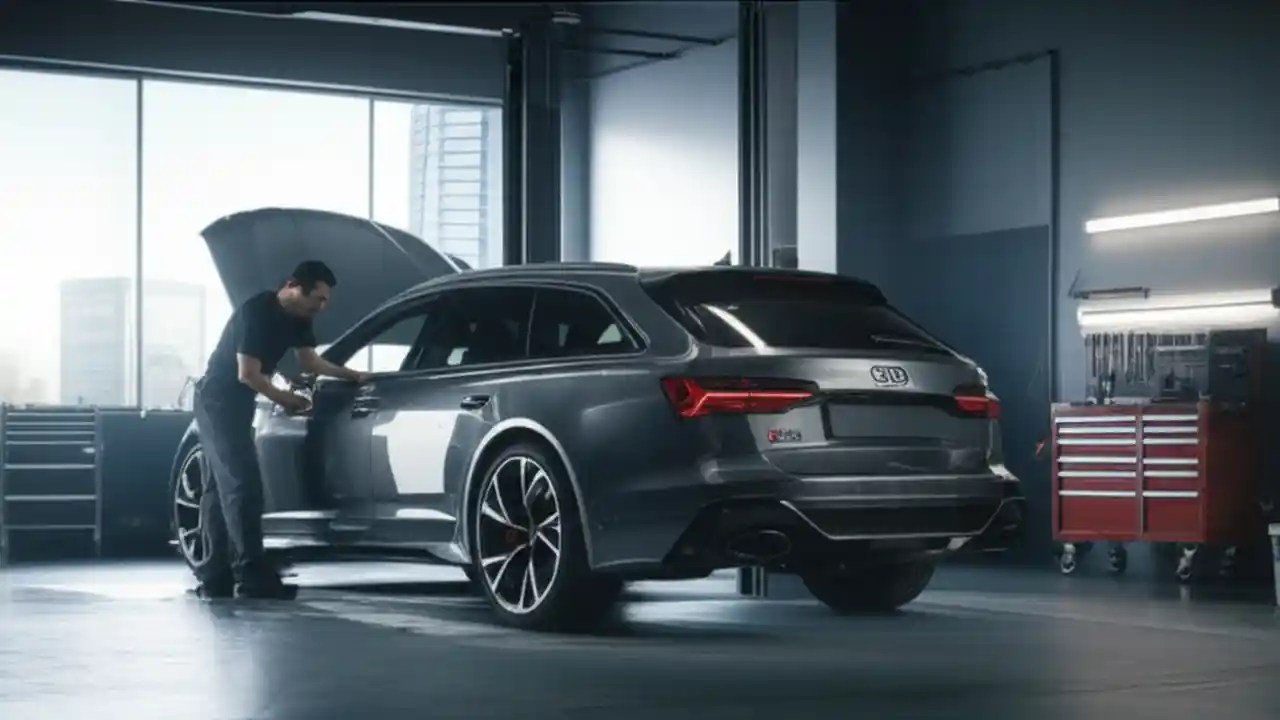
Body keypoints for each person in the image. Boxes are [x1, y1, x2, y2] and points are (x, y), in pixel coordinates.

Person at [192, 260, 369, 600]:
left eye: (325, 301)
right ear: (291, 286)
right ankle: (252, 575)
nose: (321, 306)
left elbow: (311, 362)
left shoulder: (300, 319)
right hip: (217, 400)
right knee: (243, 484)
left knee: (221, 489)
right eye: (316, 298)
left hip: (239, 403)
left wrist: (354, 376)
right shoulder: (257, 312)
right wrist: (285, 398)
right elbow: (247, 373)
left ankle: (215, 576)